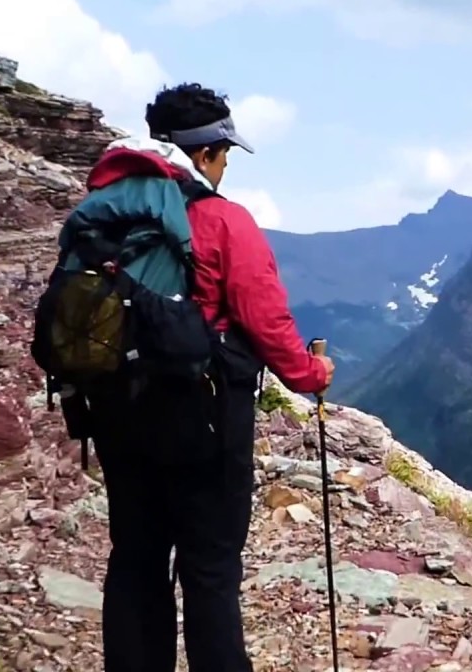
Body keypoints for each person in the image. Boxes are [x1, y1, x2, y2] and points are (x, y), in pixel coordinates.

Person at [81, 83, 334, 671]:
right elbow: (265, 317)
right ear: (204, 153)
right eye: (224, 155)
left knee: (137, 559)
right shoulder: (222, 220)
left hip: (117, 411)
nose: (225, 168)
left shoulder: (110, 216)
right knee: (209, 570)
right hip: (204, 419)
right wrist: (309, 374)